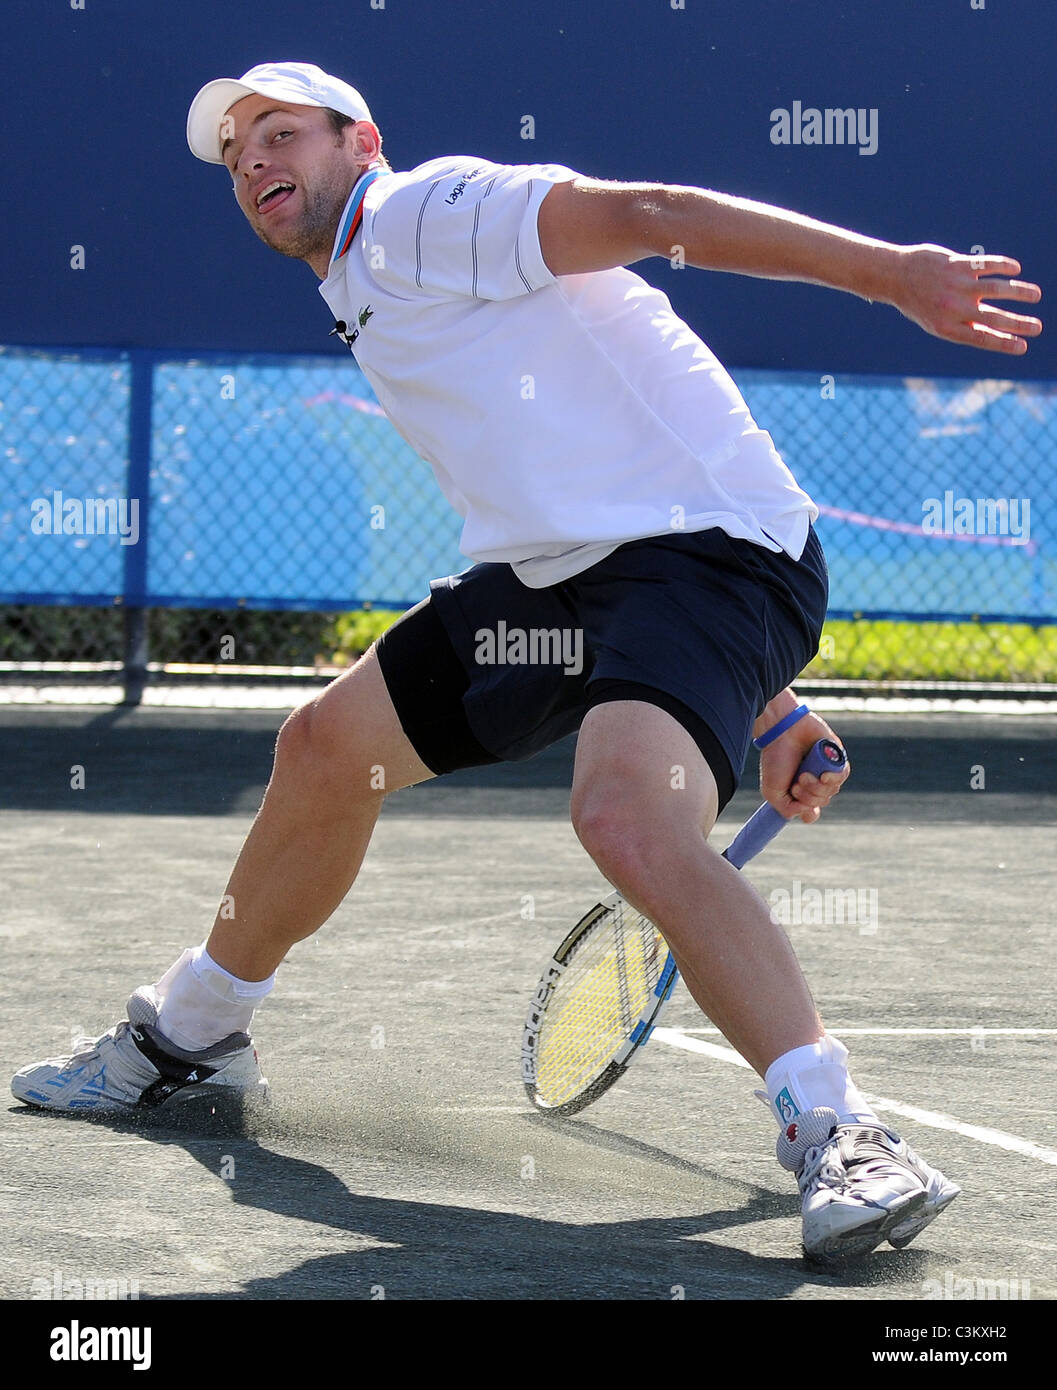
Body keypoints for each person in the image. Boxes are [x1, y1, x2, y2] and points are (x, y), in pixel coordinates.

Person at [13, 63, 1041, 1264]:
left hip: (704, 557)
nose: (251, 161)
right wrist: (768, 712)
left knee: (625, 816)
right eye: (235, 151)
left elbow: (656, 215)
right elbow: (568, 469)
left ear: (362, 142)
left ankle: (842, 1132)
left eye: (280, 132)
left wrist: (895, 275)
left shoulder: (427, 212)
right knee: (325, 750)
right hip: (563, 578)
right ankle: (192, 1032)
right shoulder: (356, 282)